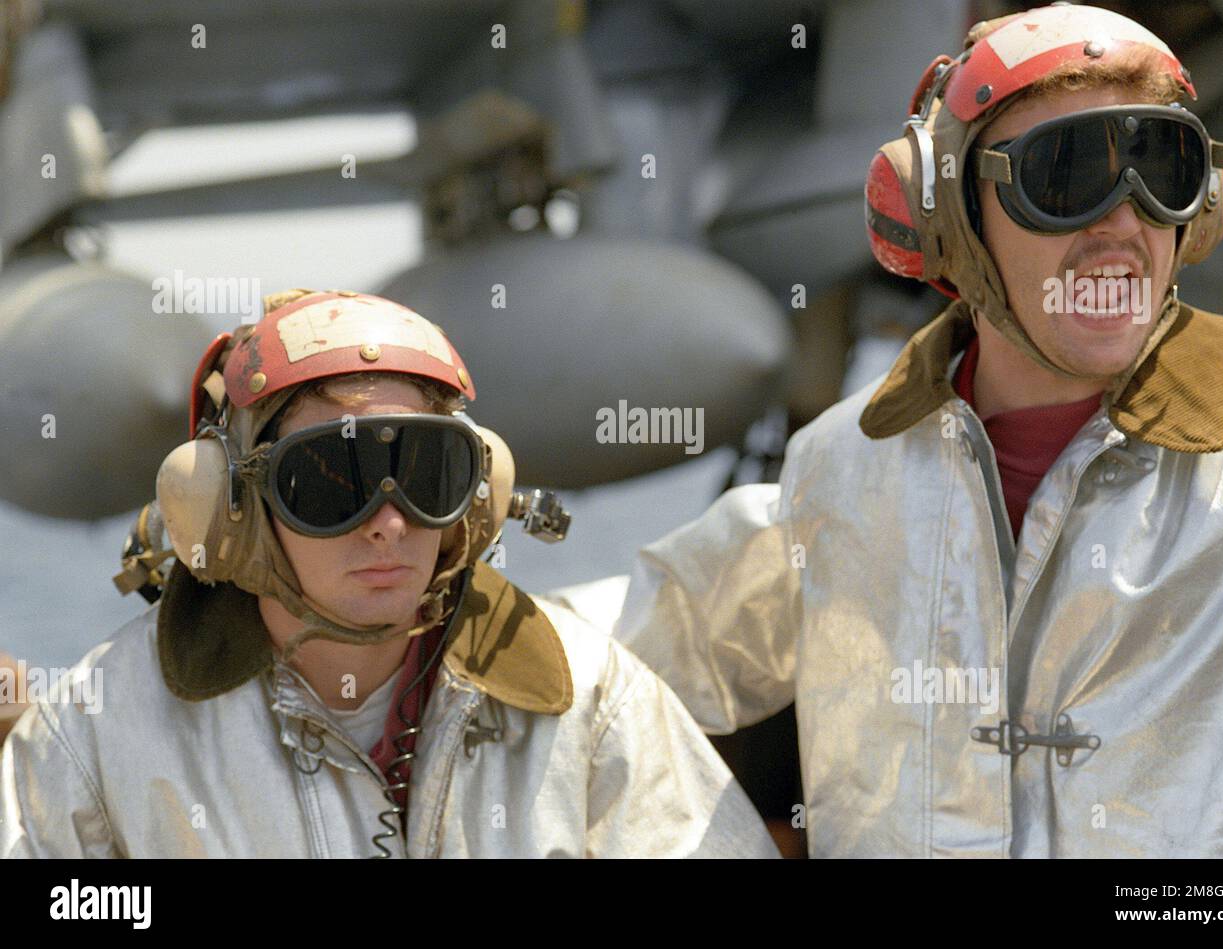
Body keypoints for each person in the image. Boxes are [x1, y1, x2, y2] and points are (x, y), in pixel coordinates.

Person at [608, 4, 1223, 856]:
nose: (1125, 220)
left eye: (1163, 165)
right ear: (947, 217)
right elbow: (602, 689)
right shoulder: (841, 473)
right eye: (1070, 173)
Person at [0, 288, 779, 858]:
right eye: (331, 479)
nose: (390, 522)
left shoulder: (590, 698)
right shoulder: (99, 736)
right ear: (229, 507)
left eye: (427, 471)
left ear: (480, 496)